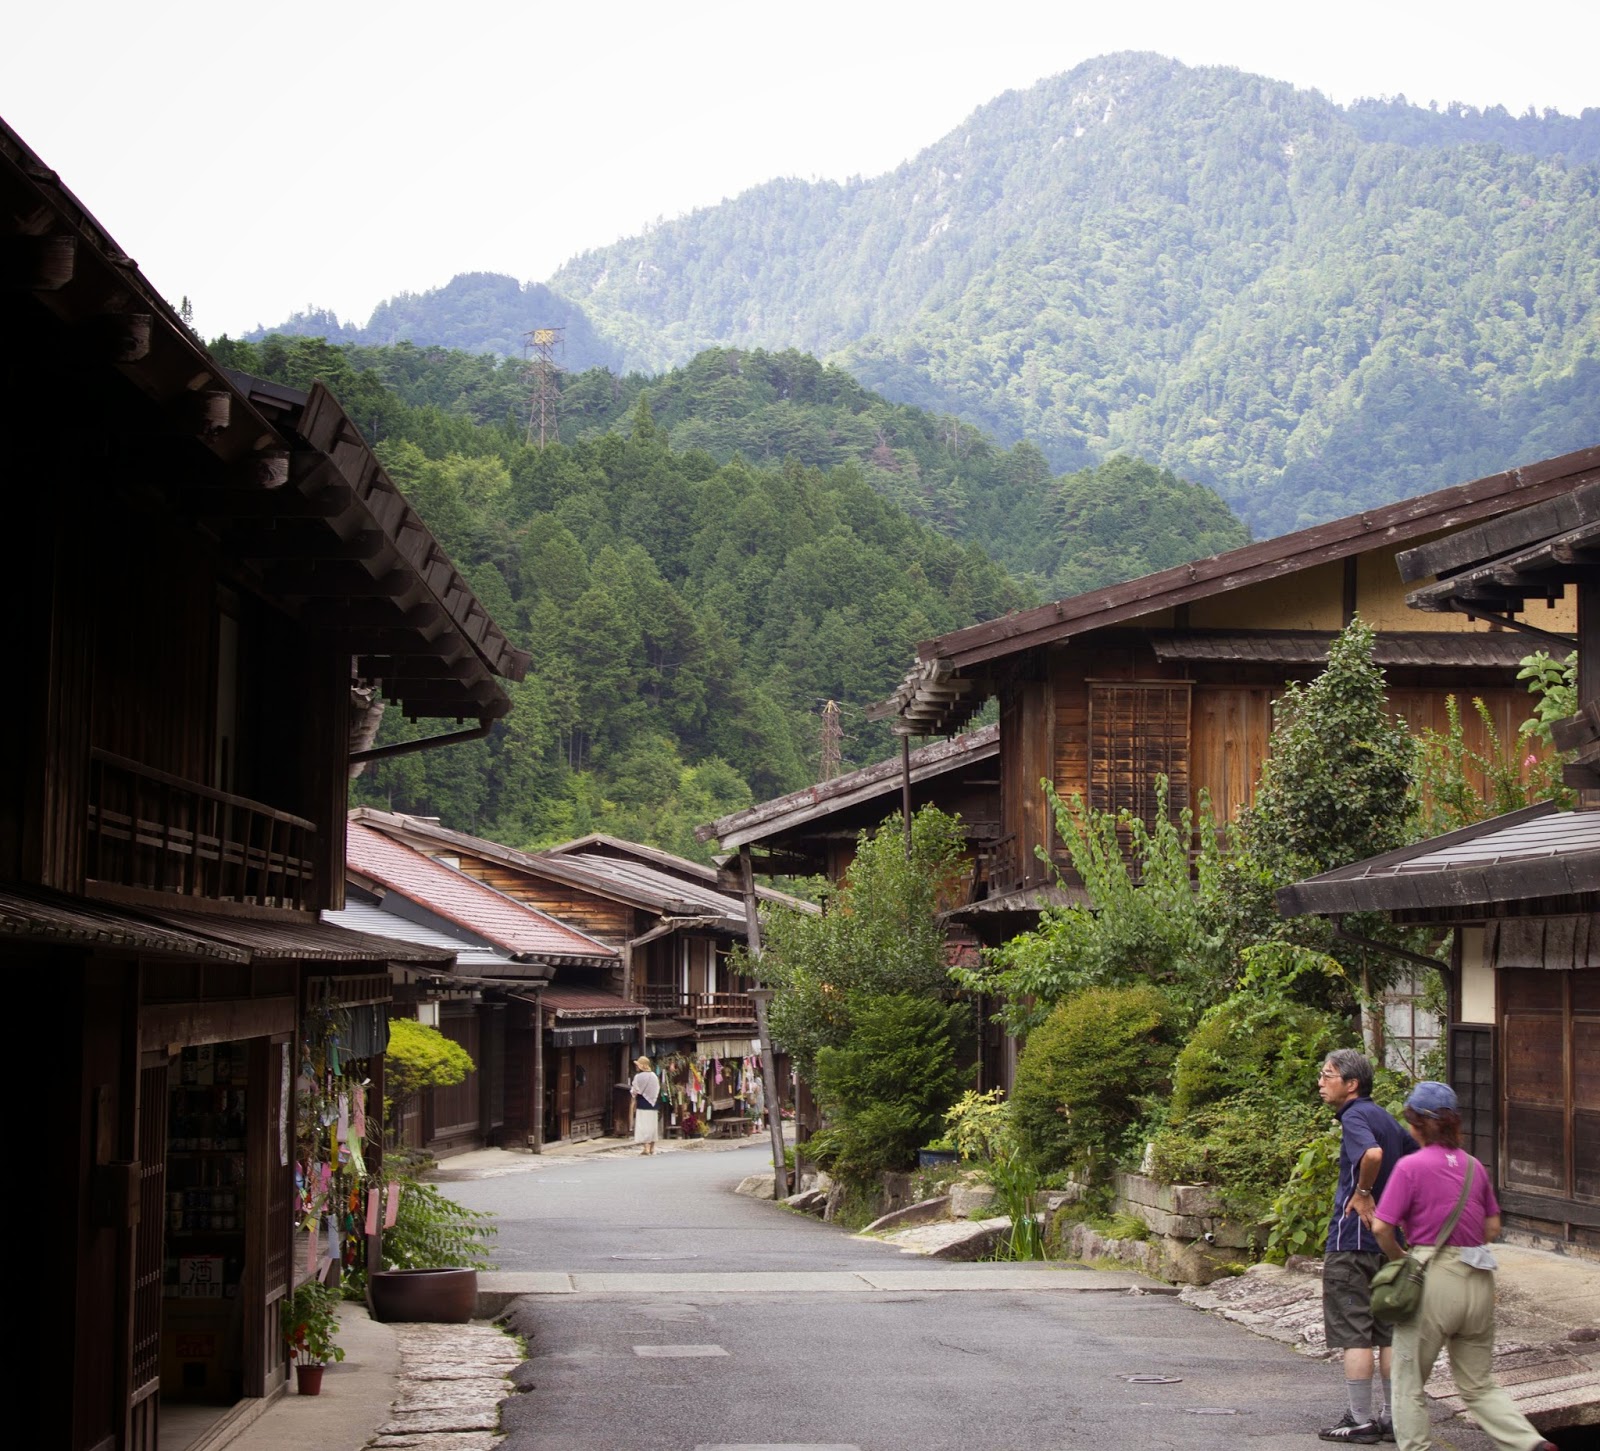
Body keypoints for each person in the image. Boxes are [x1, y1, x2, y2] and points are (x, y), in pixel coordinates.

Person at [1371, 1082, 1556, 1451]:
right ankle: (1528, 1443)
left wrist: (1402, 1261)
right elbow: (1492, 1228)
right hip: (1479, 1279)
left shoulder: (1410, 1166)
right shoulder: (1475, 1167)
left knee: (1408, 1382)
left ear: (1416, 1124)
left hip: (1433, 1276)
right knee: (1478, 1384)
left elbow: (1381, 1227)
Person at [1318, 1048, 1417, 1443]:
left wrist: (1361, 1192)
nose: (1321, 1083)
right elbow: (1411, 1163)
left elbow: (1371, 1154)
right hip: (1388, 1240)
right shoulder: (1387, 1120)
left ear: (1351, 1084)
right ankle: (1393, 1418)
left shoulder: (1356, 1115)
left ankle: (1360, 1419)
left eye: (1328, 1076)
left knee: (1356, 1333)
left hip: (1353, 1241)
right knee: (1389, 1332)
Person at [630, 1055, 661, 1156]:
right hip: (653, 1103)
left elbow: (634, 1091)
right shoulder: (654, 1076)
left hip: (642, 1103)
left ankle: (646, 1147)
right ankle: (652, 1147)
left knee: (643, 1126)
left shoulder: (638, 1077)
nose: (636, 1067)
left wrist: (633, 1102)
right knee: (652, 1126)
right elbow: (657, 1089)